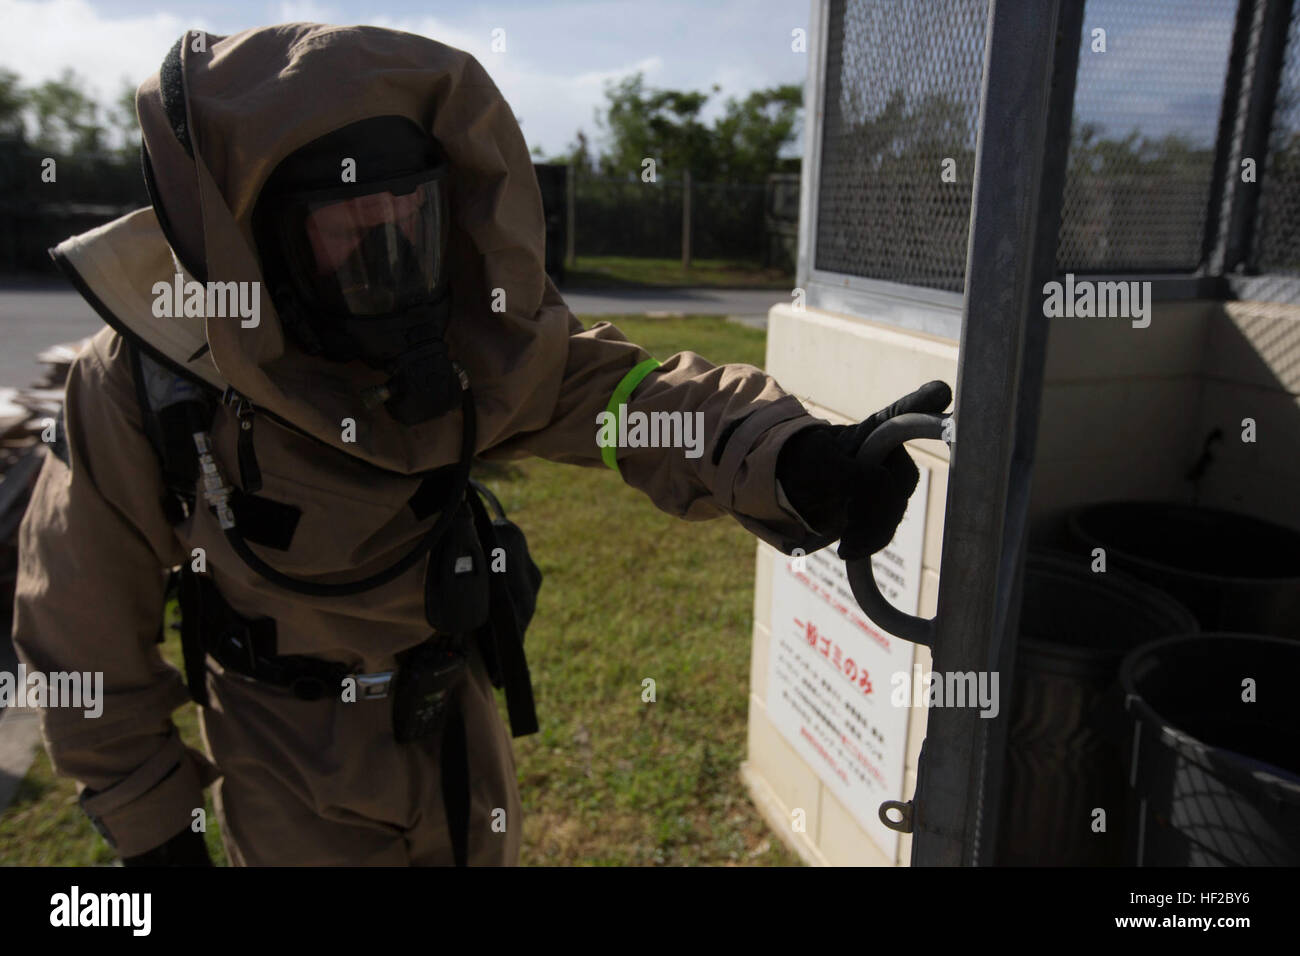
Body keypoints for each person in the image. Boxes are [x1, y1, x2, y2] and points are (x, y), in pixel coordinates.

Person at [12, 22, 951, 866]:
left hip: (453, 707)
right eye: (346, 233)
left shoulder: (470, 340)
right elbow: (80, 628)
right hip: (284, 750)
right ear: (254, 244)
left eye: (408, 223)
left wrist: (785, 456)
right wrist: (156, 834)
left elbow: (623, 393)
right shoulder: (149, 375)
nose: (390, 266)